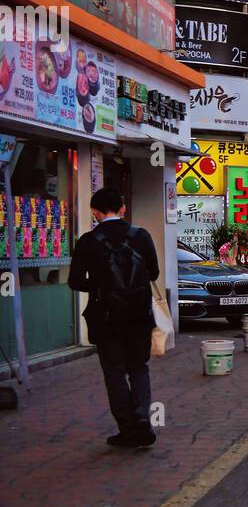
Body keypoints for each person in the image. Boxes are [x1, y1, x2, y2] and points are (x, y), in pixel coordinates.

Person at [69, 186, 159, 448]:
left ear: (95, 212)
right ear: (122, 209)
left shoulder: (88, 241)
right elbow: (152, 273)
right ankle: (143, 418)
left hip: (105, 318)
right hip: (139, 316)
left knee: (115, 373)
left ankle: (127, 428)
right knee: (139, 368)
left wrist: (100, 287)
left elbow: (75, 281)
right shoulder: (141, 236)